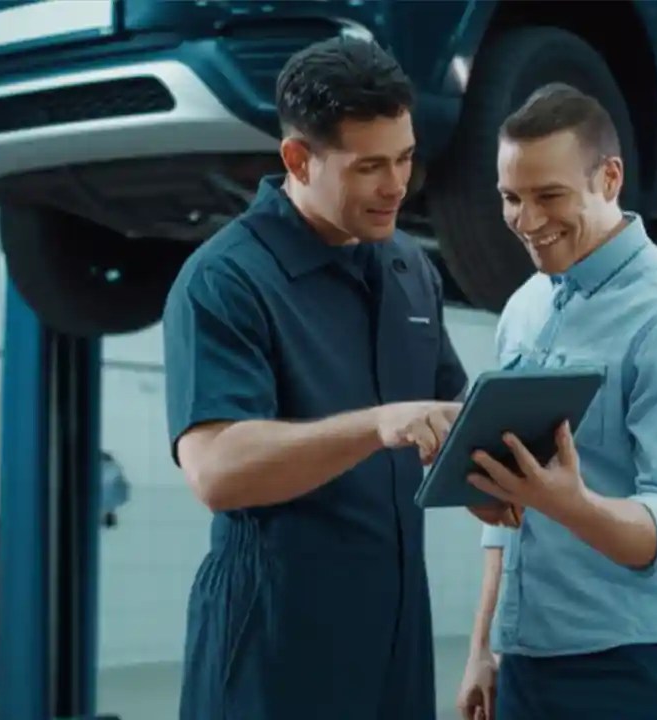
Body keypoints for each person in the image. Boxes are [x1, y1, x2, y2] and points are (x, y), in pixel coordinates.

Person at [162, 38, 470, 720]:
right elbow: (216, 471)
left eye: (405, 157)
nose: (397, 186)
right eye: (369, 167)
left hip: (394, 638)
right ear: (298, 160)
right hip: (275, 646)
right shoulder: (227, 280)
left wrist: (501, 466)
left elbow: (453, 414)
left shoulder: (410, 270)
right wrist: (374, 424)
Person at [455, 83, 657, 720]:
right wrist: (484, 646)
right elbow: (509, 516)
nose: (527, 222)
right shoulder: (525, 308)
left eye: (550, 196)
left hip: (640, 666)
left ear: (609, 177)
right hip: (527, 661)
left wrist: (574, 505)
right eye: (511, 198)